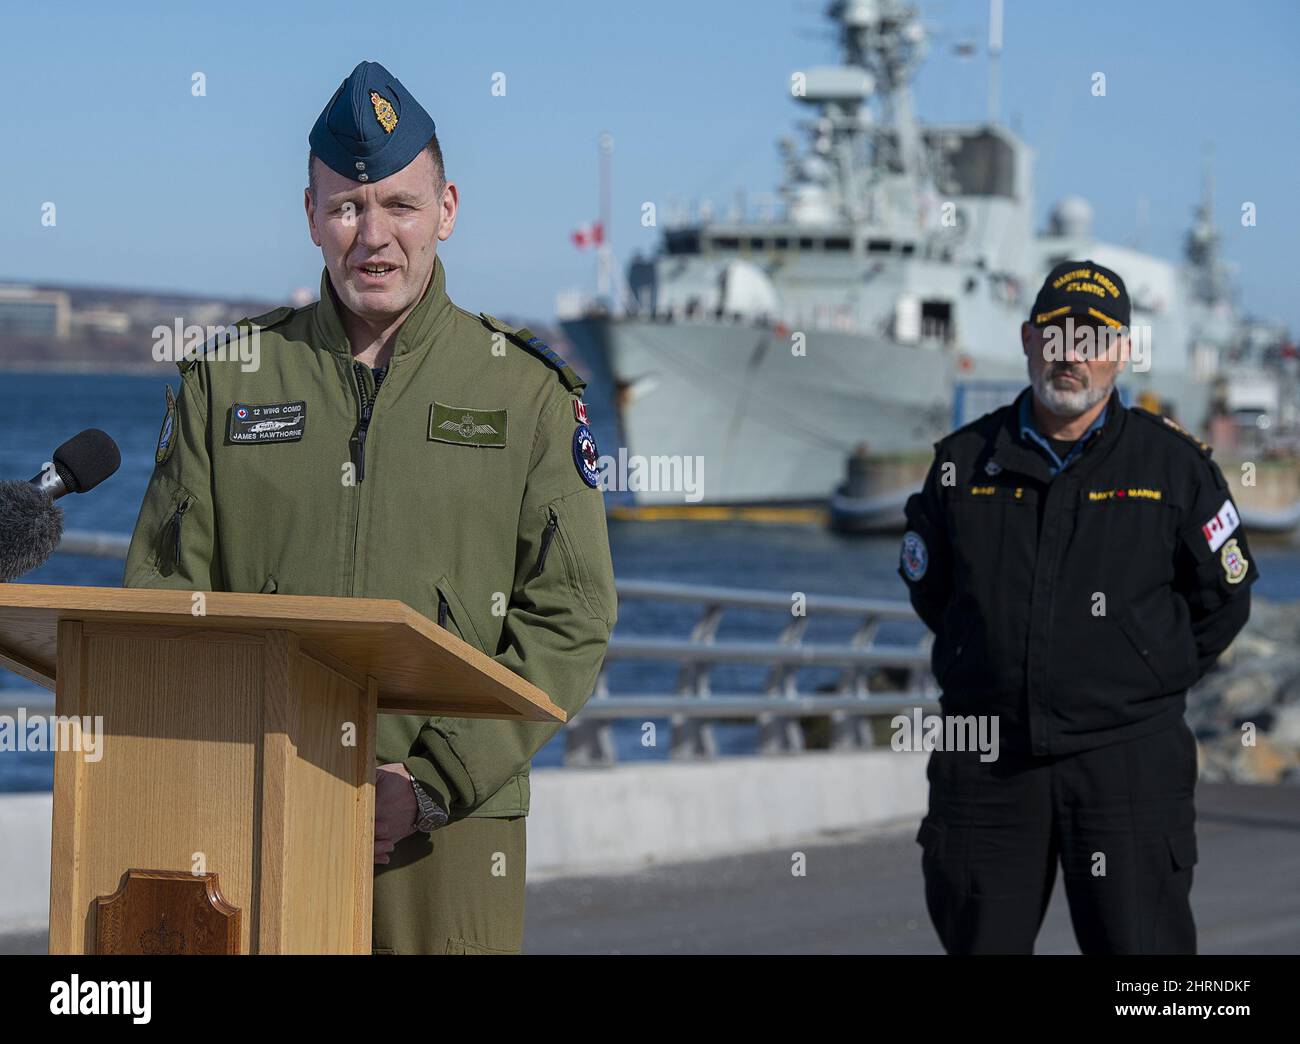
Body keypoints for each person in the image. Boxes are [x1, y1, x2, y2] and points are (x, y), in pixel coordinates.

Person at [123, 60, 617, 955]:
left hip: (450, 838)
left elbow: (571, 617)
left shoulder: (526, 395)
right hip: (255, 817)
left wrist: (430, 782)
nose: (373, 236)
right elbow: (163, 603)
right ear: (311, 216)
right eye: (348, 207)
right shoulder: (224, 382)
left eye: (400, 205)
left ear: (448, 210)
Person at [899, 259, 1256, 954]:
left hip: (1128, 764)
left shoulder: (1173, 469)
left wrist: (1141, 677)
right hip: (989, 763)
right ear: (1030, 341)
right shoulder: (963, 463)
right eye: (1057, 336)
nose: (1072, 355)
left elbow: (1223, 598)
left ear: (1122, 352)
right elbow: (935, 591)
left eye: (1093, 340)